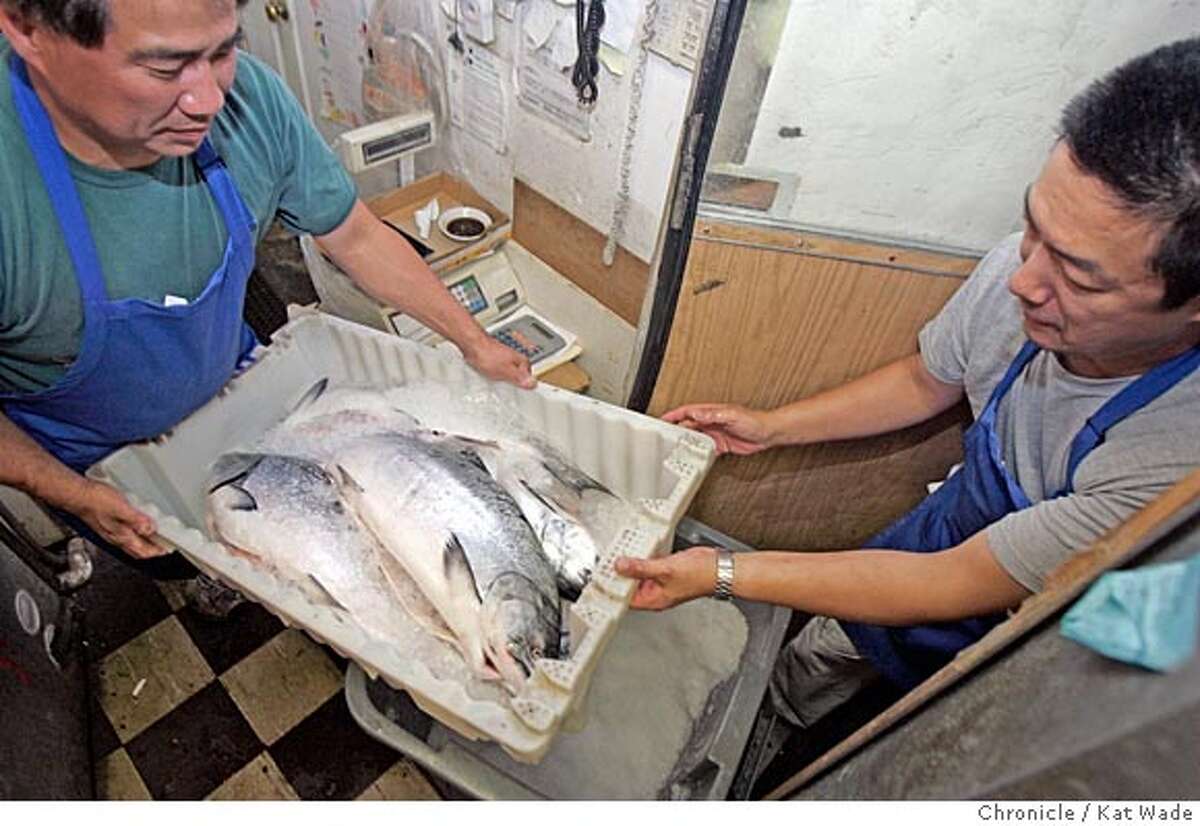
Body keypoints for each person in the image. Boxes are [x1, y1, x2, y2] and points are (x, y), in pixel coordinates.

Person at [616, 37, 1200, 744]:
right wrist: (773, 427)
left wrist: (722, 573)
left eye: (1078, 276)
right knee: (827, 654)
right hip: (940, 535)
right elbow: (927, 380)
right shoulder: (1021, 276)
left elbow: (950, 585)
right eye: (1032, 227)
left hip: (1013, 620)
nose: (1024, 281)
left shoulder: (1171, 466)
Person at [0, 0, 533, 602]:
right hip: (103, 462)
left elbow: (354, 236)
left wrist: (474, 341)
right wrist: (70, 494)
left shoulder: (251, 103)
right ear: (28, 29)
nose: (209, 99)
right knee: (170, 558)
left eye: (222, 51)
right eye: (163, 67)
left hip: (243, 399)